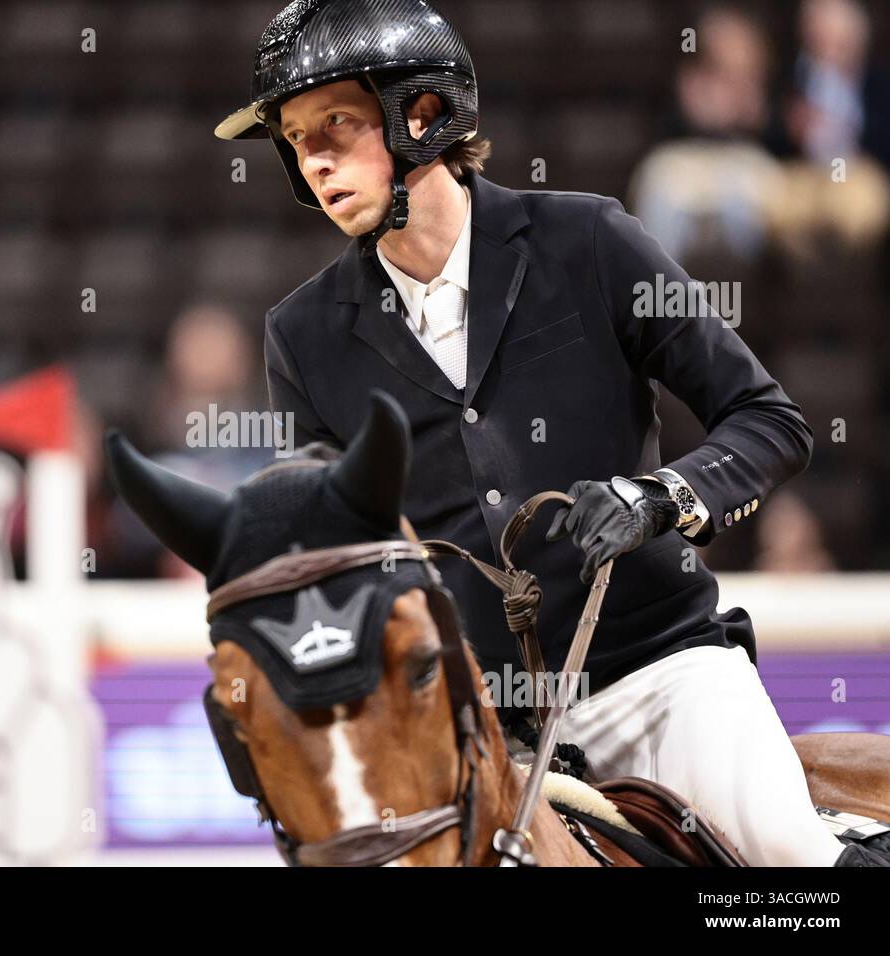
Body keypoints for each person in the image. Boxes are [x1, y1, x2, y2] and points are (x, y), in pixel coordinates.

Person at [216, 0, 879, 866]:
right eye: (299, 139)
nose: (316, 158)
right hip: (475, 729)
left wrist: (662, 498)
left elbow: (769, 421)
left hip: (660, 681)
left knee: (793, 857)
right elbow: (332, 556)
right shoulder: (301, 336)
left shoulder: (589, 239)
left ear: (423, 113)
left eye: (336, 124)